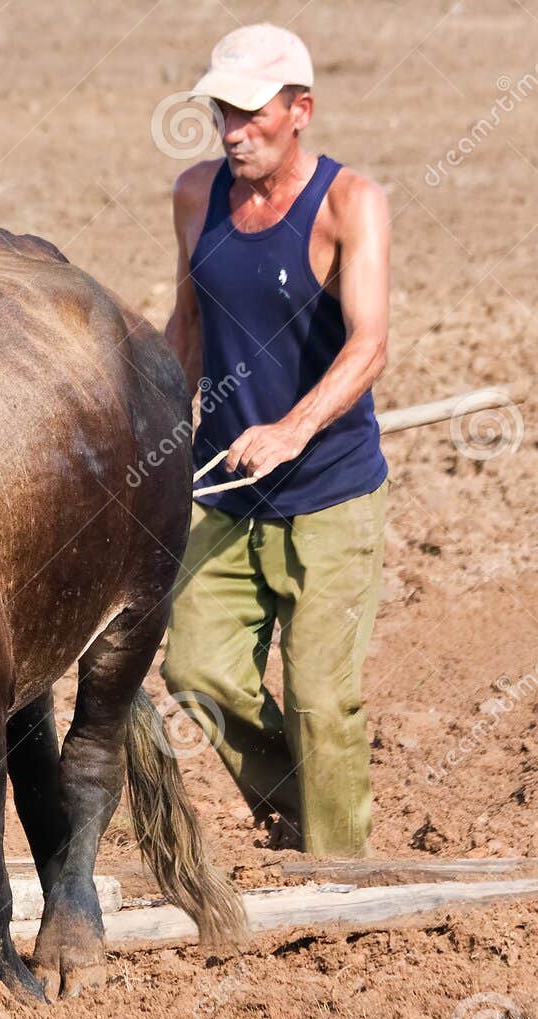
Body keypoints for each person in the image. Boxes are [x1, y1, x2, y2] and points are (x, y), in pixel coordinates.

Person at [161, 24, 391, 857]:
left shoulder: (349, 202)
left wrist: (293, 429)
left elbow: (370, 342)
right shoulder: (196, 195)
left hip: (331, 491)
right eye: (223, 111)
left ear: (301, 109)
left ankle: (341, 878)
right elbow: (186, 331)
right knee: (195, 669)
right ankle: (307, 800)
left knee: (321, 700)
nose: (231, 131)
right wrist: (148, 437)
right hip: (222, 488)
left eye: (250, 113)